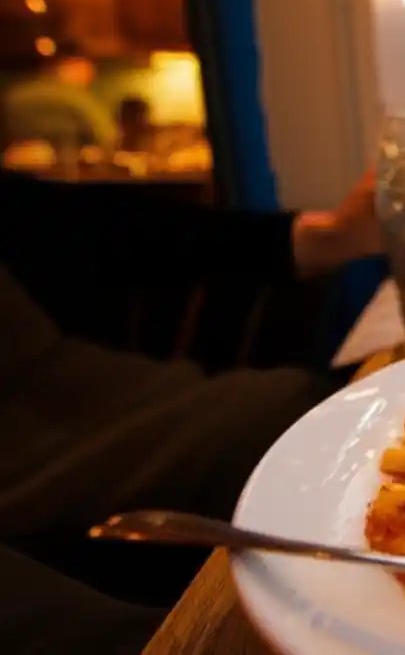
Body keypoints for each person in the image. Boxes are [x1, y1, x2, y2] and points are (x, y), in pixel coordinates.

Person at [0, 168, 382, 651]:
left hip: (49, 371)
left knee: (302, 407)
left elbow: (63, 223)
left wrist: (322, 238)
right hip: (18, 453)